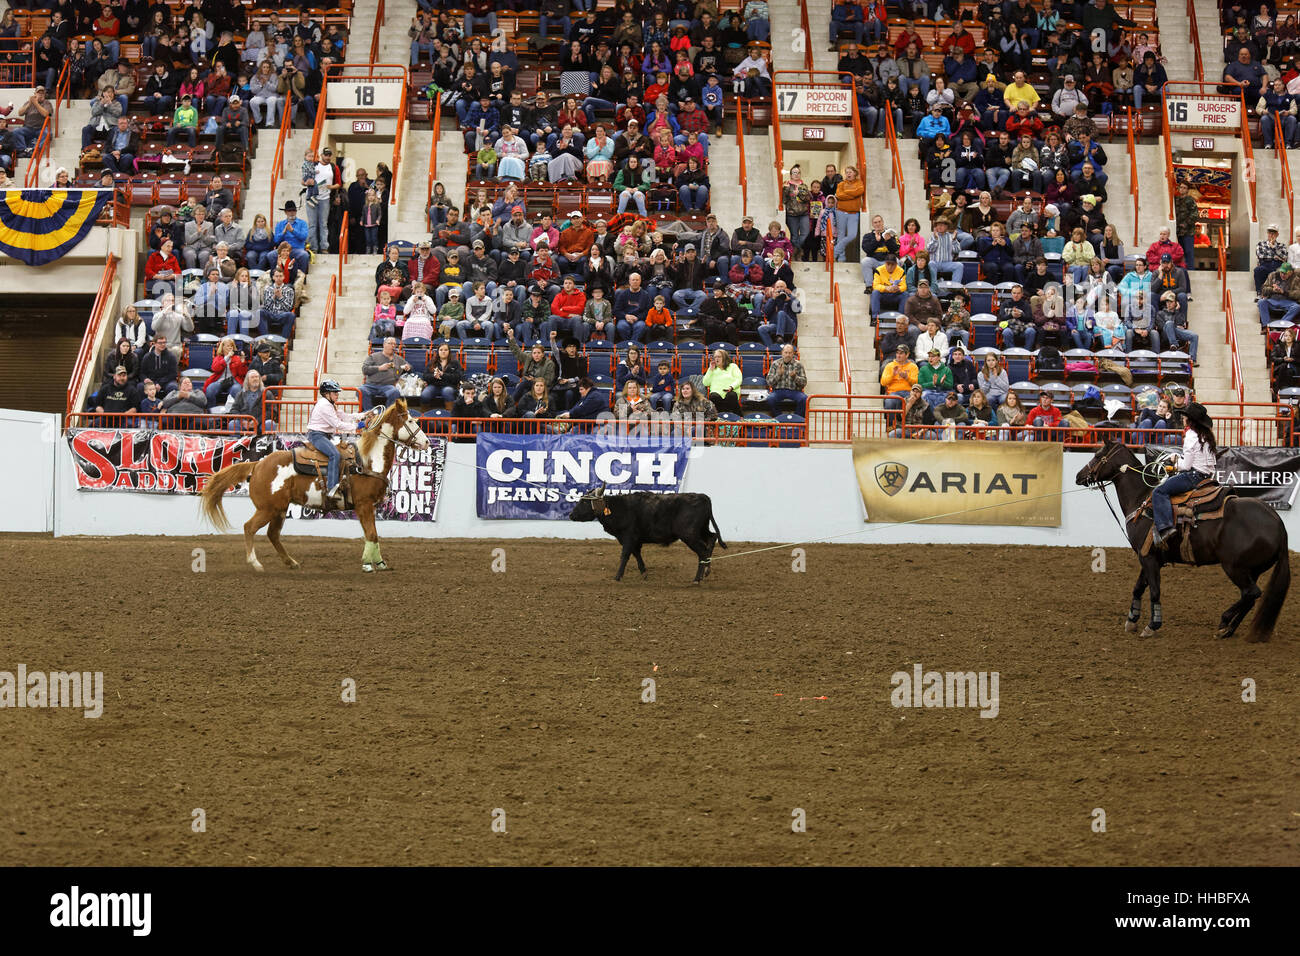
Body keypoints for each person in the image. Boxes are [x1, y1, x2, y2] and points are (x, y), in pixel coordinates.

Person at [1151, 403, 1218, 549]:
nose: (1182, 418)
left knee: (1159, 491)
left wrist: (1175, 463)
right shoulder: (1206, 435)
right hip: (1207, 477)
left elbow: (1186, 466)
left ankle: (1165, 528)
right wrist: (1179, 457)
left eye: (1185, 416)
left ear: (1190, 420)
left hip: (1194, 476)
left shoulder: (1190, 435)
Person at [306, 380, 367, 510]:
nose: (337, 395)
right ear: (327, 394)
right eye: (335, 393)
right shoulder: (325, 405)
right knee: (335, 455)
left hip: (324, 435)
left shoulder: (330, 404)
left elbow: (343, 416)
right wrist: (357, 426)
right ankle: (331, 489)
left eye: (337, 393)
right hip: (317, 436)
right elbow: (337, 424)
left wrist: (363, 415)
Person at [360, 338, 411, 411]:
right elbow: (365, 369)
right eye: (390, 343)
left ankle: (387, 414)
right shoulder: (373, 356)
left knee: (394, 392)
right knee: (361, 390)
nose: (392, 346)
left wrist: (408, 367)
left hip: (388, 386)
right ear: (384, 345)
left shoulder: (398, 359)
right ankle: (369, 413)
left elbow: (409, 366)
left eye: (394, 344)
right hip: (371, 385)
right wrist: (379, 368)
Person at [765, 343, 807, 416]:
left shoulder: (799, 365)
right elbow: (769, 382)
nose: (788, 355)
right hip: (778, 391)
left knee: (804, 399)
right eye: (786, 352)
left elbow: (804, 383)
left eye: (790, 353)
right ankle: (779, 418)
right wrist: (778, 375)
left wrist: (795, 377)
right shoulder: (775, 364)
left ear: (793, 354)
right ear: (782, 353)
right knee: (770, 398)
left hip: (795, 391)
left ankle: (797, 419)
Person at [702, 348, 742, 414]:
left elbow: (738, 379)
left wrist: (731, 387)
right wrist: (710, 370)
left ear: (724, 357)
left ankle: (737, 417)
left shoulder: (733, 366)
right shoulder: (712, 369)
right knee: (713, 396)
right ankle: (720, 417)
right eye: (715, 357)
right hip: (717, 395)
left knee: (731, 395)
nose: (717, 359)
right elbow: (705, 383)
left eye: (719, 357)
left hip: (730, 391)